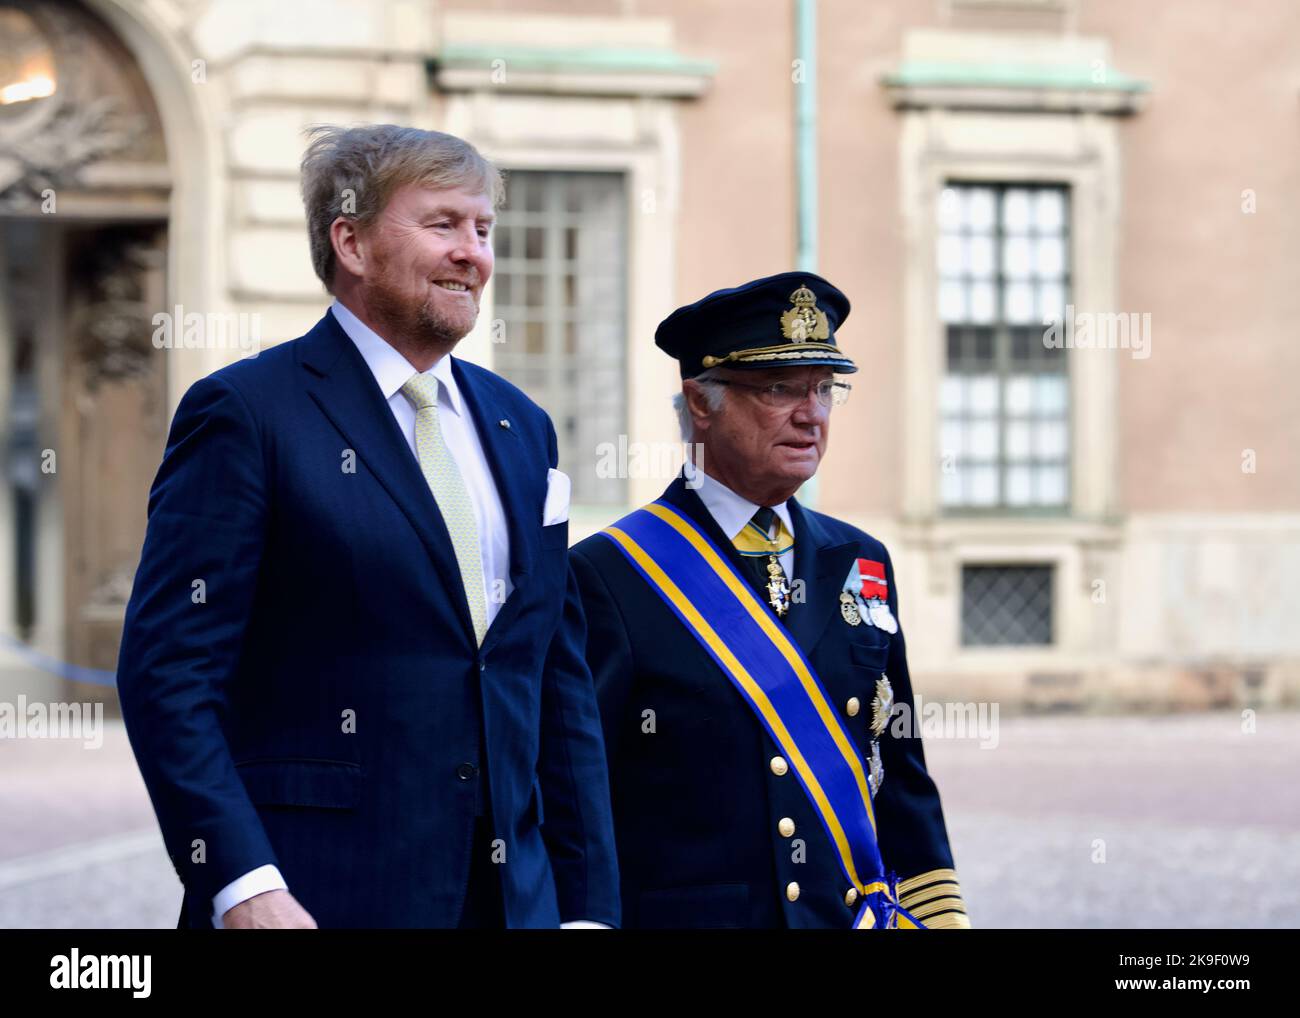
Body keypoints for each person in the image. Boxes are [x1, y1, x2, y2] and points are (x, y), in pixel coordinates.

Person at [116, 124, 619, 929]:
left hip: (512, 903)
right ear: (349, 240)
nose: (474, 253)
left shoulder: (522, 427)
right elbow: (167, 675)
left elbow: (556, 682)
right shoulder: (247, 414)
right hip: (317, 897)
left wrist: (588, 908)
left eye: (484, 229)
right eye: (443, 224)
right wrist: (243, 882)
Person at [570, 272, 970, 929]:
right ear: (702, 402)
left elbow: (899, 770)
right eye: (780, 389)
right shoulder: (606, 575)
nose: (811, 414)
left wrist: (940, 918)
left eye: (824, 389)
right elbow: (580, 793)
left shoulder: (860, 561)